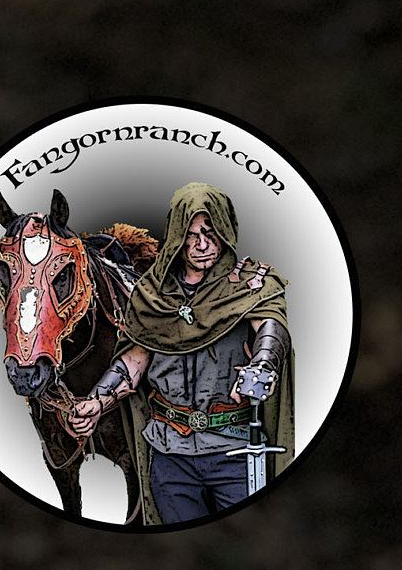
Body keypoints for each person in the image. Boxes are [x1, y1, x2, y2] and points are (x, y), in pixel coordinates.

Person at [66, 180, 292, 523]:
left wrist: (262, 364)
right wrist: (96, 402)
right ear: (176, 236)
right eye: (191, 234)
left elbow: (271, 327)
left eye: (211, 233)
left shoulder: (251, 285)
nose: (202, 245)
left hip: (233, 451)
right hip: (170, 456)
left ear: (225, 232)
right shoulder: (151, 295)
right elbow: (133, 362)